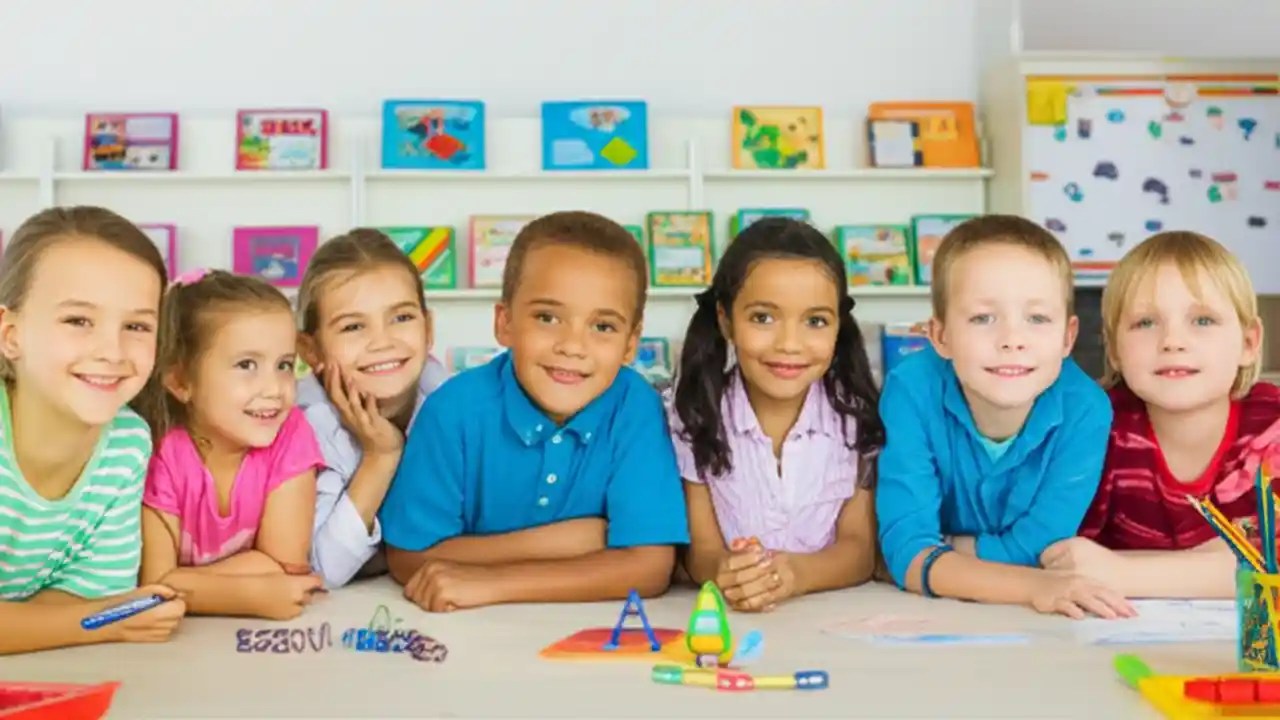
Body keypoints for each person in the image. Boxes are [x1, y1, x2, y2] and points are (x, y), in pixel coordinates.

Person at [380, 210, 689, 611]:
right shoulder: (452, 411)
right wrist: (567, 542)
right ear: (504, 322)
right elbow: (408, 558)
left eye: (603, 327)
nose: (572, 346)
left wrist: (492, 583)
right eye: (548, 318)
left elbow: (649, 569)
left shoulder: (636, 407)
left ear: (631, 343)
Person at [876, 215, 1131, 619]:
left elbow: (1042, 545)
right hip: (933, 618)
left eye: (1037, 318)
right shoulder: (910, 390)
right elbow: (905, 552)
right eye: (982, 318)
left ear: (1068, 336)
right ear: (940, 336)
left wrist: (945, 552)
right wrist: (1034, 585)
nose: (1013, 339)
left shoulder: (1086, 408)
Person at [1044, 231, 1279, 598]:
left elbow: (1272, 564)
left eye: (1202, 320)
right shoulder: (1097, 428)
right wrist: (1216, 563)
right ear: (1115, 351)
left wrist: (1124, 573)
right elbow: (1059, 555)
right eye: (1145, 323)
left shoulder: (1271, 427)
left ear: (1248, 344)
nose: (1173, 341)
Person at [669, 218, 883, 612]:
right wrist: (728, 570)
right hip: (728, 619)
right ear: (725, 319)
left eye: (815, 321)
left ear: (838, 326)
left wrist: (794, 575)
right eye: (763, 318)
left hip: (836, 617)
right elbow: (700, 553)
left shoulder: (857, 417)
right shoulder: (690, 416)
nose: (789, 344)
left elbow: (859, 551)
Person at [0, 206, 185, 654]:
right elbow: (89, 615)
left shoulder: (126, 443)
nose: (112, 350)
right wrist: (97, 624)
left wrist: (72, 619)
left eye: (136, 326)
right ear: (10, 334)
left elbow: (83, 594)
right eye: (78, 320)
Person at [138, 270, 326, 619]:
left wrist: (186, 586)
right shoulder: (159, 448)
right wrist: (250, 595)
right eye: (246, 365)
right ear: (181, 381)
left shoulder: (291, 432)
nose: (275, 388)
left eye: (285, 365)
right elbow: (153, 586)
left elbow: (286, 567)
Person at [295, 228, 447, 588]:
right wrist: (381, 455)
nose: (383, 341)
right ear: (310, 351)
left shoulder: (456, 403)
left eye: (402, 318)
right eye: (353, 326)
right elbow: (321, 569)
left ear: (428, 330)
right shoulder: (302, 427)